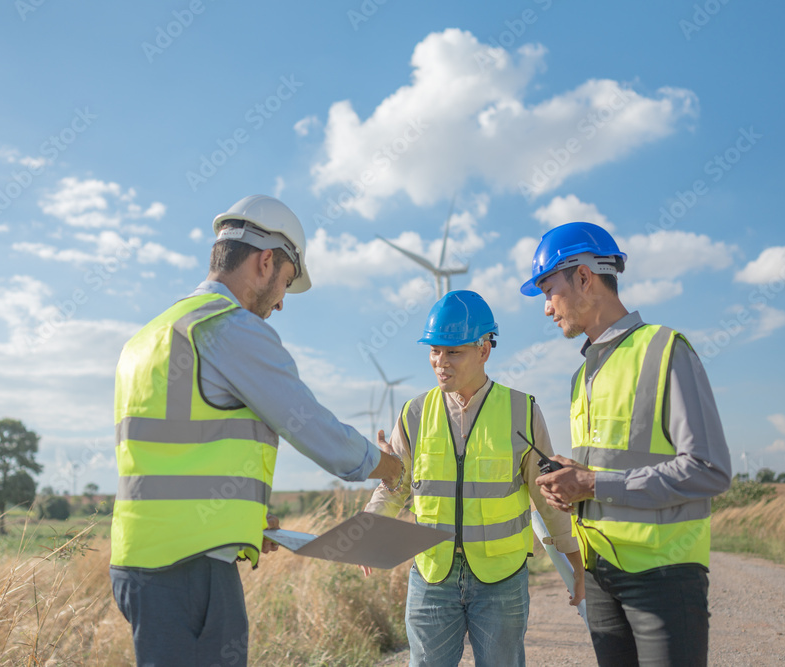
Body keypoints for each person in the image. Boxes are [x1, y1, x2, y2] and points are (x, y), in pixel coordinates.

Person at [109, 194, 403, 667]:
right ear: (266, 262)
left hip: (137, 565)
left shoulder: (151, 335)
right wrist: (390, 467)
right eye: (286, 282)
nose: (282, 303)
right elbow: (315, 429)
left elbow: (177, 461)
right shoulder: (229, 328)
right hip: (190, 571)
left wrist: (238, 522)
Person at [520, 221, 732, 666]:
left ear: (583, 277)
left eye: (547, 289)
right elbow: (610, 467)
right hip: (600, 575)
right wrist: (570, 484)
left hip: (663, 577)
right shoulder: (582, 377)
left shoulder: (664, 349)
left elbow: (709, 469)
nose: (545, 309)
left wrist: (594, 483)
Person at [362, 290, 584, 667]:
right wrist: (371, 527)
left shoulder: (522, 411)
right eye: (434, 350)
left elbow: (548, 496)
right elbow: (394, 483)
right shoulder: (414, 413)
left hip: (501, 579)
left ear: (484, 350)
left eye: (453, 351)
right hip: (432, 575)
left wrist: (576, 562)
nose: (440, 362)